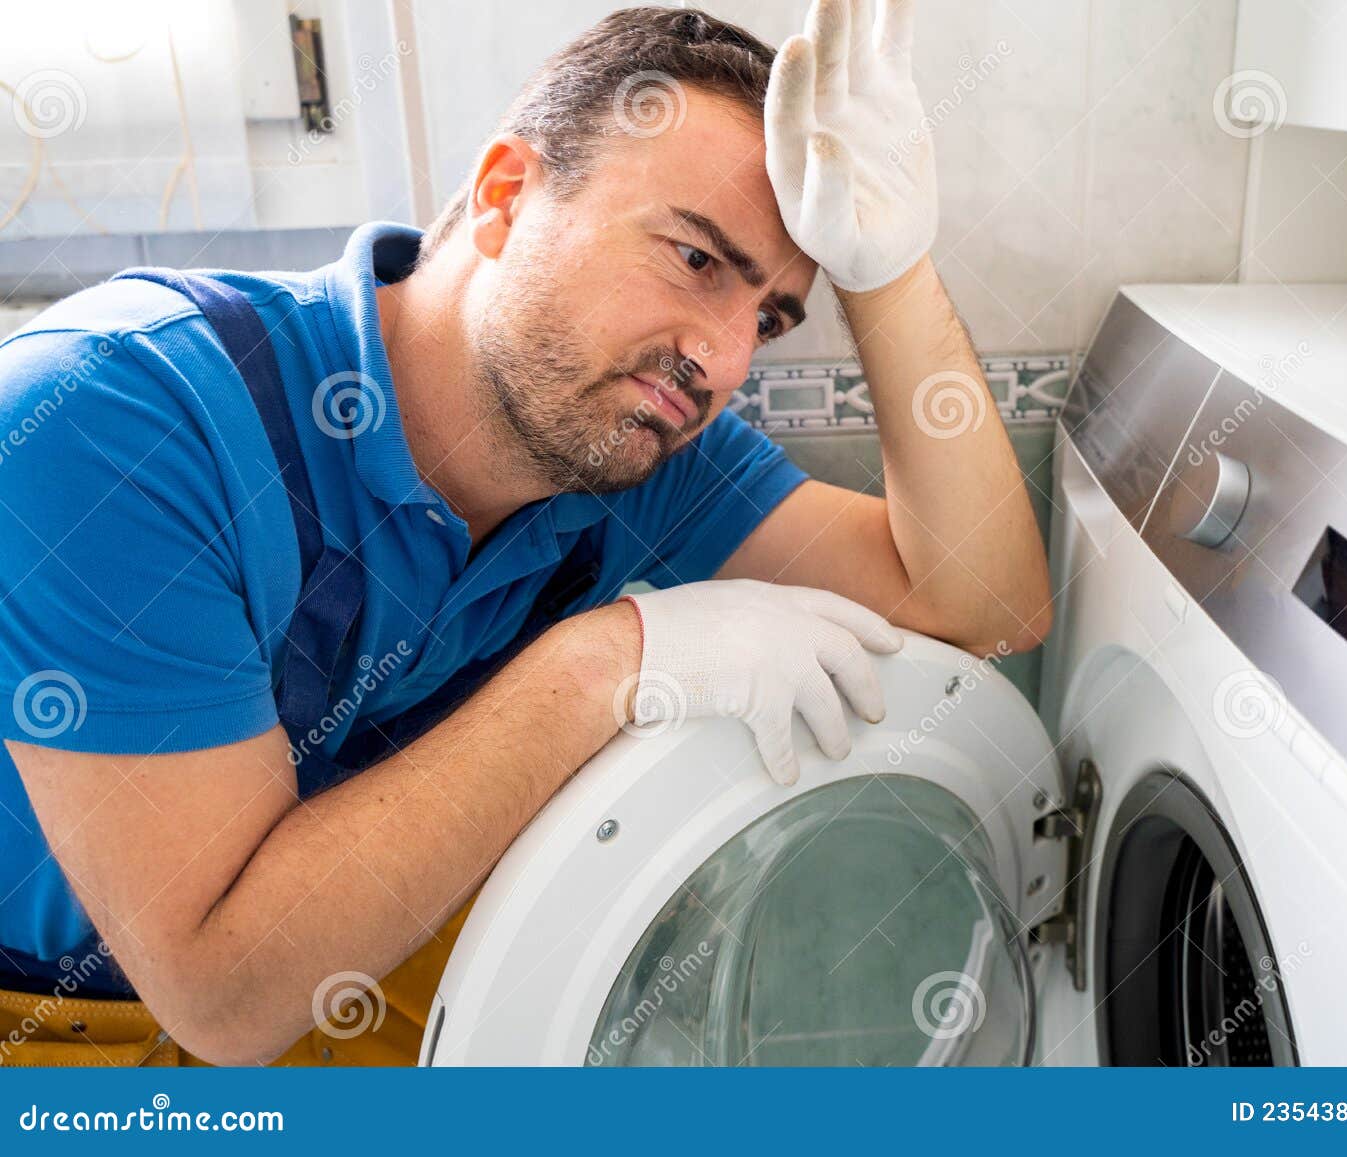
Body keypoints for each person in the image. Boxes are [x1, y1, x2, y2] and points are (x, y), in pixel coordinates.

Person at [0, 1, 1048, 1065]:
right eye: (694, 259)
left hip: (355, 954)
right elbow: (226, 998)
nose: (724, 362)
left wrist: (887, 266)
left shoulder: (620, 434)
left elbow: (989, 608)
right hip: (67, 1022)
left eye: (768, 319)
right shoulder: (115, 419)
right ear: (505, 196)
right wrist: (609, 659)